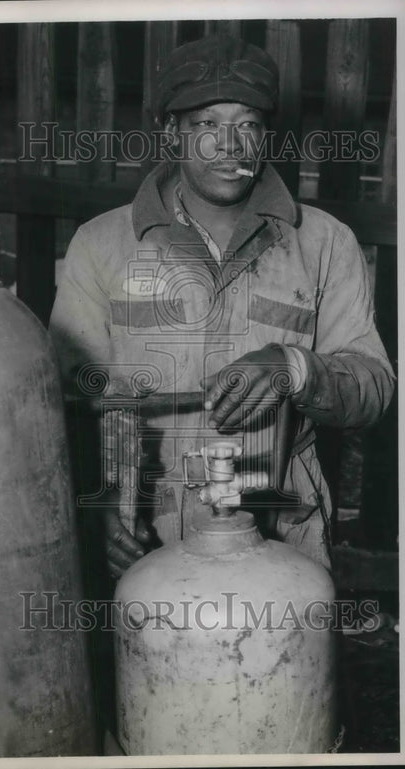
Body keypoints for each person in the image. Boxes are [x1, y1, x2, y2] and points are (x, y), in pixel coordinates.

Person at [49, 33, 394, 578]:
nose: (230, 144)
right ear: (171, 132)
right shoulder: (102, 245)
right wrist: (90, 514)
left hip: (281, 533)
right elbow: (62, 408)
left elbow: (372, 389)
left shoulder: (324, 243)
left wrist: (294, 367)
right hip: (142, 533)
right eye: (207, 124)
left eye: (248, 124)